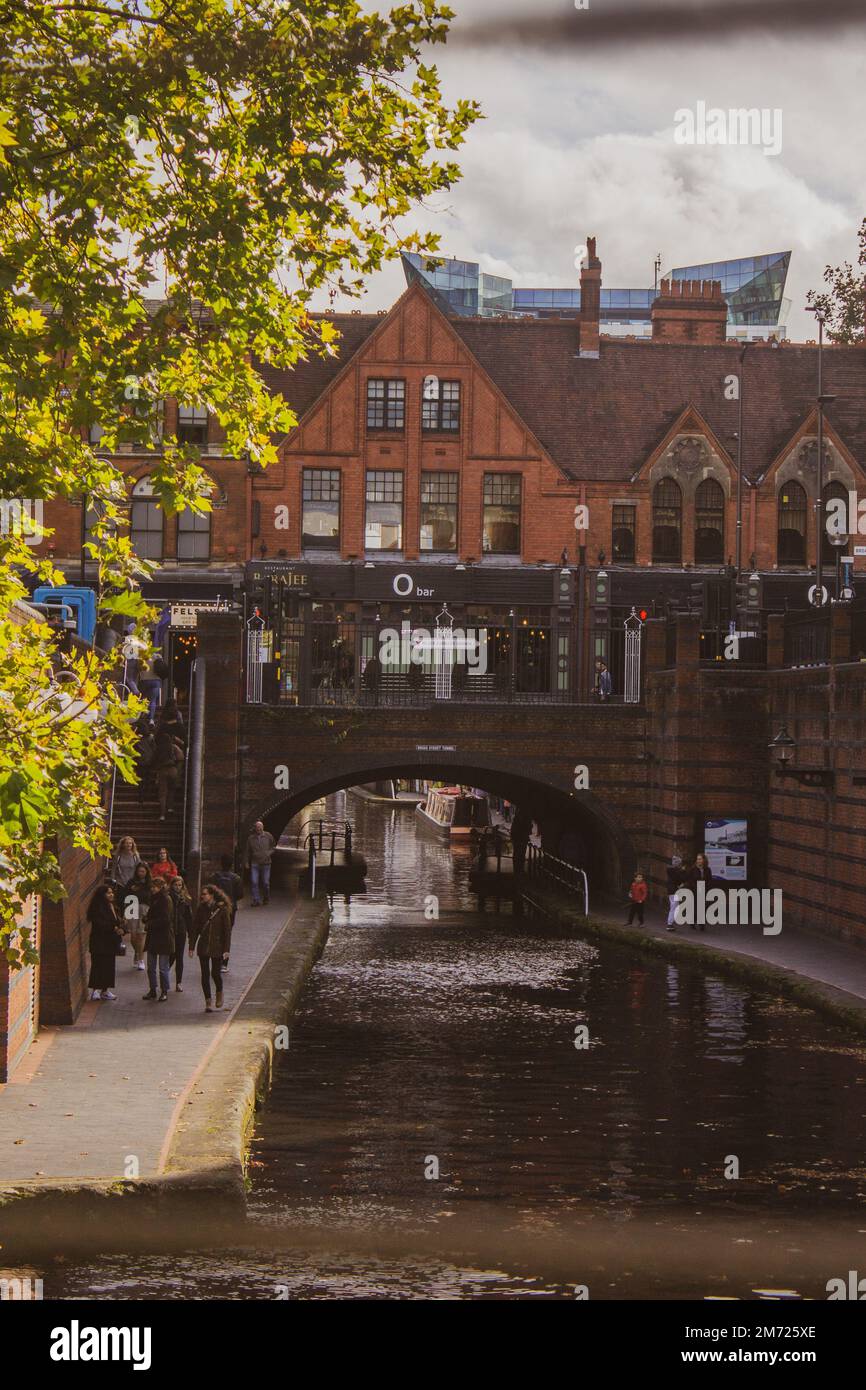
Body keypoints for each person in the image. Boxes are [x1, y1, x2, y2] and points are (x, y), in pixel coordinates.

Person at [189, 884, 233, 1012]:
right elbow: (195, 928)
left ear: (211, 895)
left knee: (215, 973)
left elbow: (227, 931)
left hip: (217, 946)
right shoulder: (200, 909)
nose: (202, 896)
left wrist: (226, 949)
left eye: (205, 894)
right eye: (202, 894)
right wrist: (191, 946)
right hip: (203, 946)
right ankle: (208, 1001)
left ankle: (219, 992)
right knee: (205, 974)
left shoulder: (222, 909)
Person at [86, 884, 124, 1001]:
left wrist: (121, 928)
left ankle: (105, 990)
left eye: (111, 892)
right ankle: (95, 990)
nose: (111, 895)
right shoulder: (97, 907)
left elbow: (117, 921)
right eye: (108, 893)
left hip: (110, 942)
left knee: (109, 966)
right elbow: (99, 924)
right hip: (99, 942)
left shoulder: (112, 906)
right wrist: (114, 928)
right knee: (98, 965)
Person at [142, 877, 174, 1001]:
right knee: (151, 966)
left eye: (154, 887)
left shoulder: (165, 900)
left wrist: (150, 923)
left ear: (160, 887)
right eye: (152, 887)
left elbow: (166, 920)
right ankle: (153, 989)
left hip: (163, 937)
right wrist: (147, 918)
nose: (152, 889)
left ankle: (164, 990)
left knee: (162, 967)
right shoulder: (155, 899)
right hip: (154, 937)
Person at [212, 854, 243, 970]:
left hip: (217, 908)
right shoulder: (236, 878)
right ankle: (224, 963)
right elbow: (240, 895)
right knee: (227, 934)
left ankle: (216, 959)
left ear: (221, 863)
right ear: (232, 864)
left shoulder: (215, 877)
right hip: (231, 909)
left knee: (217, 933)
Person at [123, 862, 152, 969]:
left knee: (141, 934)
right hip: (132, 908)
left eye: (143, 871)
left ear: (147, 872)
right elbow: (125, 896)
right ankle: (137, 952)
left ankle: (141, 959)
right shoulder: (131, 882)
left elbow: (152, 896)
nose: (141, 873)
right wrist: (125, 912)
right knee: (133, 936)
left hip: (144, 909)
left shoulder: (149, 883)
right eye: (139, 871)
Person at [152, 730, 184, 821]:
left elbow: (153, 760)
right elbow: (181, 757)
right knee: (172, 790)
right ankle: (170, 807)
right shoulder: (174, 747)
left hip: (162, 771)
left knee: (162, 793)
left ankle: (162, 814)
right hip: (173, 770)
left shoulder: (158, 749)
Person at [169, 876, 193, 992]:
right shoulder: (168, 897)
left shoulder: (186, 899)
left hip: (181, 930)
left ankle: (179, 982)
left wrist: (190, 932)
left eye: (180, 885)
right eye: (176, 885)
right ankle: (165, 974)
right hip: (171, 929)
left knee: (179, 957)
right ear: (172, 885)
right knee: (171, 955)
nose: (178, 887)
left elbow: (189, 917)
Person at [246, 820, 275, 906]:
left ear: (263, 827)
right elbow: (247, 851)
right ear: (255, 828)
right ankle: (256, 900)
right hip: (255, 863)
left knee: (265, 882)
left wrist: (268, 853)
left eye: (260, 827)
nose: (258, 829)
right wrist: (246, 862)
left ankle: (266, 897)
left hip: (266, 863)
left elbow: (273, 846)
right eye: (257, 827)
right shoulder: (250, 838)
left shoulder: (268, 836)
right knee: (254, 882)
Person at [685, 853, 714, 932]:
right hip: (694, 890)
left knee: (702, 907)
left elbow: (709, 880)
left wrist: (707, 889)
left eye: (700, 859)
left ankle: (701, 924)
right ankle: (692, 922)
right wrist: (694, 888)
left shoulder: (707, 869)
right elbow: (689, 880)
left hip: (703, 890)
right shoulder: (692, 869)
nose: (698, 861)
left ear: (704, 860)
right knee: (694, 907)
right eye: (697, 859)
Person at [666, 854, 685, 932]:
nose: (680, 865)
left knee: (673, 906)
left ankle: (671, 923)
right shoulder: (675, 872)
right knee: (674, 907)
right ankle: (669, 923)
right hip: (674, 891)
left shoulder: (670, 871)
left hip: (671, 891)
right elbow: (679, 879)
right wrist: (683, 871)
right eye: (679, 864)